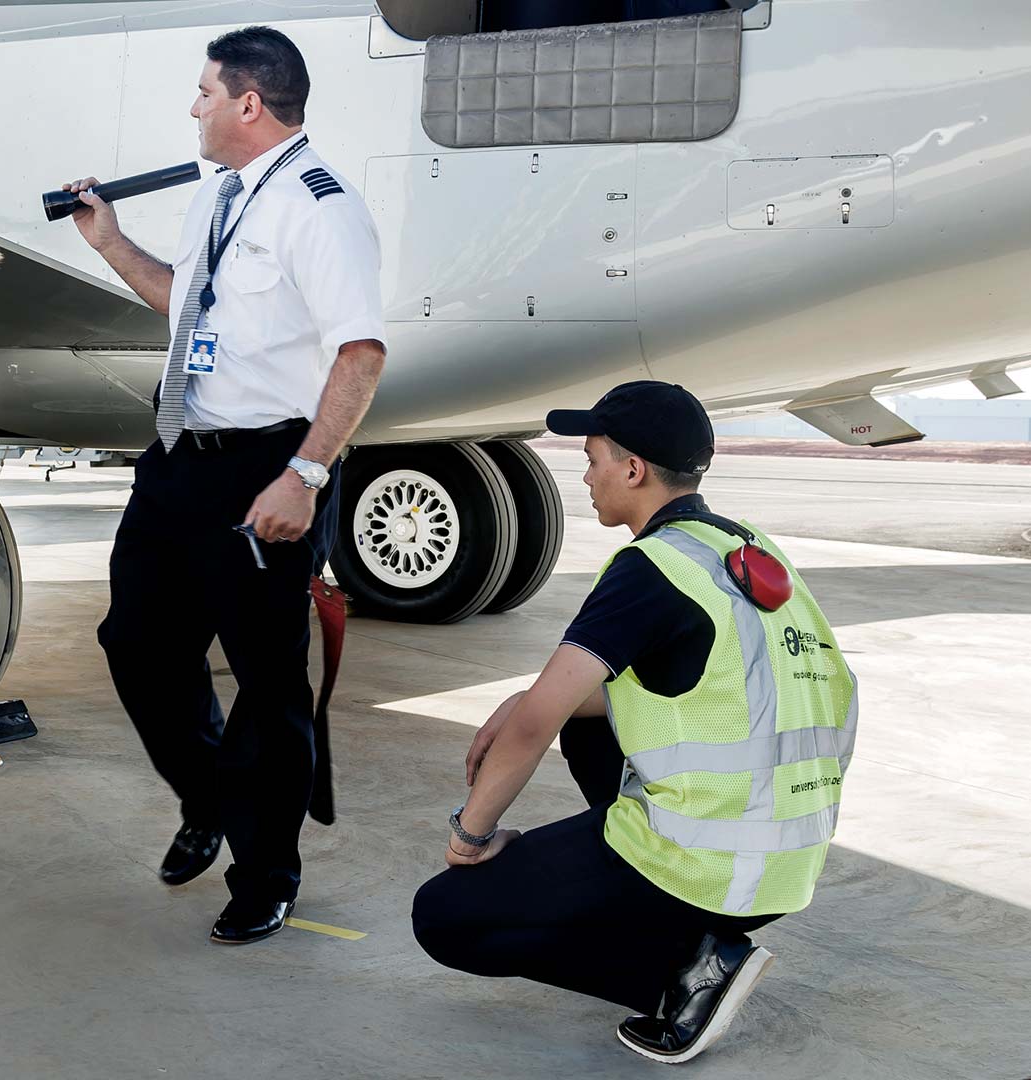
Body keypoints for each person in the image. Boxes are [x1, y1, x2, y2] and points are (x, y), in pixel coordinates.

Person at [409, 381, 858, 1064]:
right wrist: (524, 703)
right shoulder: (742, 548)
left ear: (633, 469)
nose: (585, 476)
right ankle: (683, 932)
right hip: (788, 859)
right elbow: (710, 688)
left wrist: (469, 837)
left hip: (711, 867)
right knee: (588, 722)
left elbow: (532, 728)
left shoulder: (651, 570)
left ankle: (687, 975)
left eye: (591, 459)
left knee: (444, 917)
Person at [60, 26, 386, 944]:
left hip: (262, 470)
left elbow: (360, 352)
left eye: (205, 91)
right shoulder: (220, 194)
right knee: (135, 646)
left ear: (249, 103)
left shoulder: (318, 207)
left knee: (267, 683)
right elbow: (186, 307)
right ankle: (210, 800)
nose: (193, 105)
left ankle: (264, 871)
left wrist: (305, 476)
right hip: (178, 462)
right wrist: (110, 244)